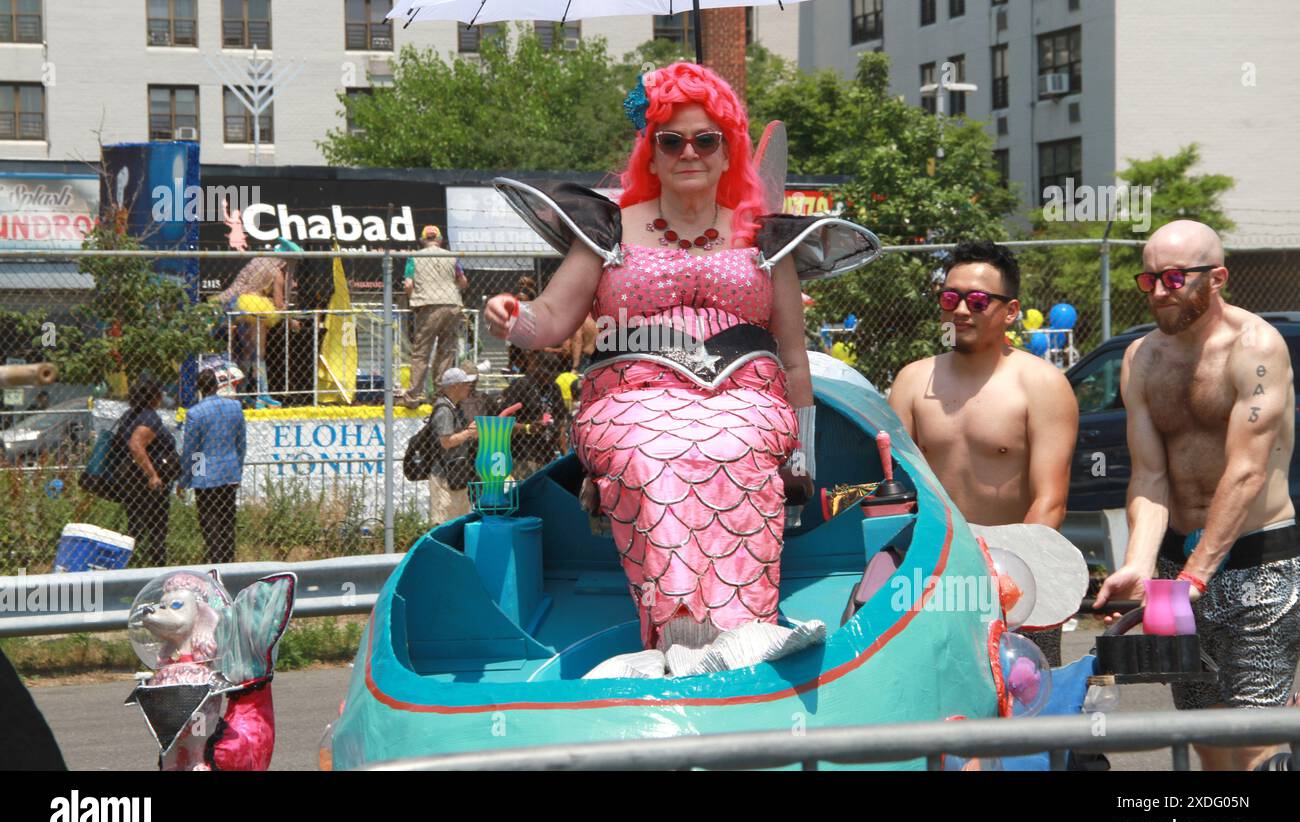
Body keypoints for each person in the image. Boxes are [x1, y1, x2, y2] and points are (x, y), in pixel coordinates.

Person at [484, 63, 881, 676]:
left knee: (735, 443)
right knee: (652, 451)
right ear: (653, 151)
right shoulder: (607, 230)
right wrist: (514, 319)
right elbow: (552, 320)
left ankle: (747, 634)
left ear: (729, 151)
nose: (688, 152)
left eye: (705, 139)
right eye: (671, 140)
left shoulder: (764, 239)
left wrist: (801, 457)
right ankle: (684, 641)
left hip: (748, 402)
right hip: (630, 404)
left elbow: (795, 356)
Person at [1094, 219, 1297, 771]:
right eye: (1150, 278)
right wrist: (1140, 563)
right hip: (1177, 564)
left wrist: (1195, 578)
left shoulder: (1256, 347)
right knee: (1205, 734)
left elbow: (1246, 471)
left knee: (1254, 733)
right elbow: (1150, 476)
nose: (1161, 289)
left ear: (1219, 278)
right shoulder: (1142, 359)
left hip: (1258, 561)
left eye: (1176, 277)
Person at [888, 241, 1078, 664]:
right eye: (950, 298)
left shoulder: (1042, 384)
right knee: (941, 708)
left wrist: (1010, 577)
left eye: (977, 300)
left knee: (1029, 708)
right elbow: (896, 489)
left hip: (1021, 578)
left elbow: (1051, 499)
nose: (960, 311)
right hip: (938, 576)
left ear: (1010, 311)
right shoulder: (912, 382)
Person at [214, 240, 301, 408]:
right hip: (257, 308)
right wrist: (291, 320)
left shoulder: (256, 263)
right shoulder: (277, 273)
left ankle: (243, 394)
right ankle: (263, 395)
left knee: (247, 354)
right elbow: (278, 302)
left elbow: (239, 287)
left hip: (240, 305)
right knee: (259, 355)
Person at [178, 369, 247, 564]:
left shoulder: (195, 413)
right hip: (229, 473)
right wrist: (237, 470)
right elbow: (240, 443)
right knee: (227, 521)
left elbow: (193, 450)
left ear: (199, 388)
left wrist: (186, 479)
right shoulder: (235, 407)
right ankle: (228, 562)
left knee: (210, 523)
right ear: (217, 386)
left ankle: (216, 561)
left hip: (206, 478)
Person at [402, 225, 468, 409]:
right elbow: (463, 282)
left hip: (428, 306)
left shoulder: (414, 257)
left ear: (423, 240)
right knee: (446, 351)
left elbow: (408, 284)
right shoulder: (451, 257)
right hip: (452, 305)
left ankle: (414, 395)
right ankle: (440, 394)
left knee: (421, 352)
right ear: (439, 240)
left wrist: (413, 297)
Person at [115, 379, 178, 567]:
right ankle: (157, 570)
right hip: (149, 484)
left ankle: (128, 566)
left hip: (130, 480)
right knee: (157, 529)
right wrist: (152, 475)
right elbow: (136, 445)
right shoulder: (149, 418)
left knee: (135, 526)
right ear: (153, 398)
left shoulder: (129, 415)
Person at [499, 346, 569, 479]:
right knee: (527, 493)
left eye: (552, 375)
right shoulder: (521, 386)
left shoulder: (554, 388)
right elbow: (503, 421)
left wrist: (564, 454)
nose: (549, 378)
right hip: (524, 454)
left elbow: (560, 422)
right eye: (545, 374)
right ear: (537, 369)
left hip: (548, 455)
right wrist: (528, 428)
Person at [428, 366, 478, 525]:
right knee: (445, 521)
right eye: (465, 384)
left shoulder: (453, 407)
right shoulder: (444, 409)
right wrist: (468, 433)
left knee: (458, 520)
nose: (469, 387)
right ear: (455, 386)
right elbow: (446, 442)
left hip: (456, 472)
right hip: (444, 476)